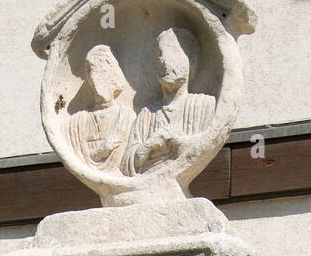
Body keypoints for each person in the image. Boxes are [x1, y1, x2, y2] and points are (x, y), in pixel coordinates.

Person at [123, 27, 216, 176]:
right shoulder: (146, 115)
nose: (163, 60)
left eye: (173, 53)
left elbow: (208, 145)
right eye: (160, 54)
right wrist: (147, 147)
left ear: (191, 62)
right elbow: (127, 165)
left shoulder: (204, 105)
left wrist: (175, 141)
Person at [67, 45, 134, 172]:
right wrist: (102, 150)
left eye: (103, 71)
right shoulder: (77, 122)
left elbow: (132, 159)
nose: (98, 78)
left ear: (113, 74)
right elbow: (77, 160)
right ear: (89, 78)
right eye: (93, 71)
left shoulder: (126, 117)